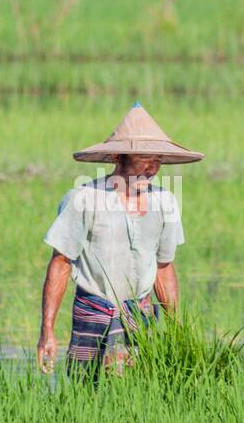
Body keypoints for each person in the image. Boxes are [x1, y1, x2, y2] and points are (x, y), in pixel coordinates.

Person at [37, 103, 204, 376]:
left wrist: (177, 329)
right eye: (142, 160)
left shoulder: (165, 202)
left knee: (134, 393)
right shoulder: (84, 199)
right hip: (93, 312)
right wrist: (47, 331)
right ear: (118, 157)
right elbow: (61, 262)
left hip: (139, 314)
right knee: (84, 396)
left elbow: (164, 267)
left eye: (157, 160)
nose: (150, 169)